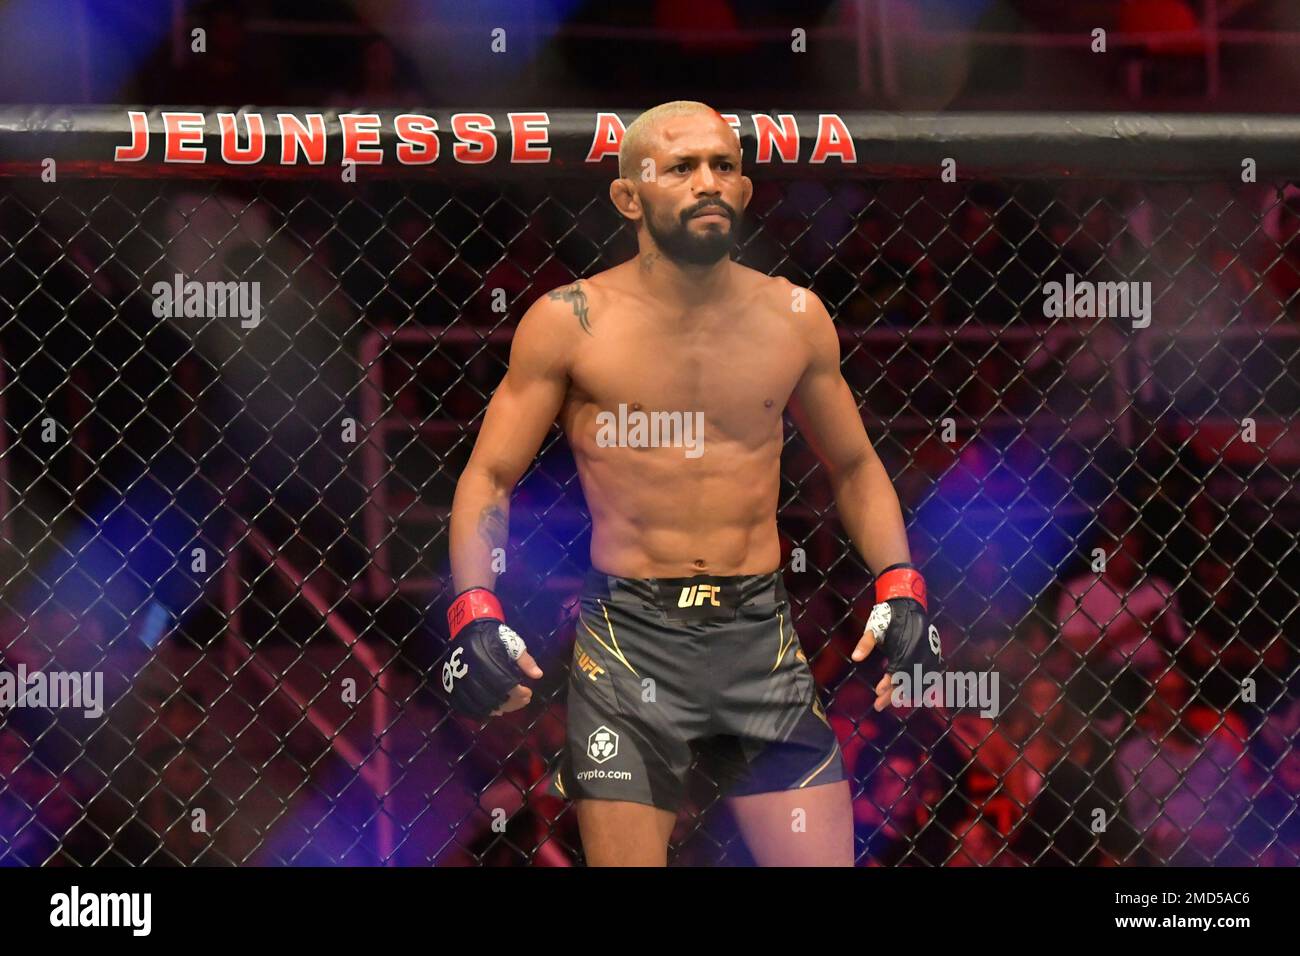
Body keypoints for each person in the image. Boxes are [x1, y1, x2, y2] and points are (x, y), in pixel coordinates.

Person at [438, 101, 942, 866]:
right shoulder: (570, 319)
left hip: (758, 635)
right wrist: (474, 612)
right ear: (629, 196)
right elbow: (491, 474)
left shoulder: (794, 316)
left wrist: (900, 585)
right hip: (630, 640)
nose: (708, 182)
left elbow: (855, 463)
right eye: (682, 167)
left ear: (743, 190)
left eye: (724, 166)